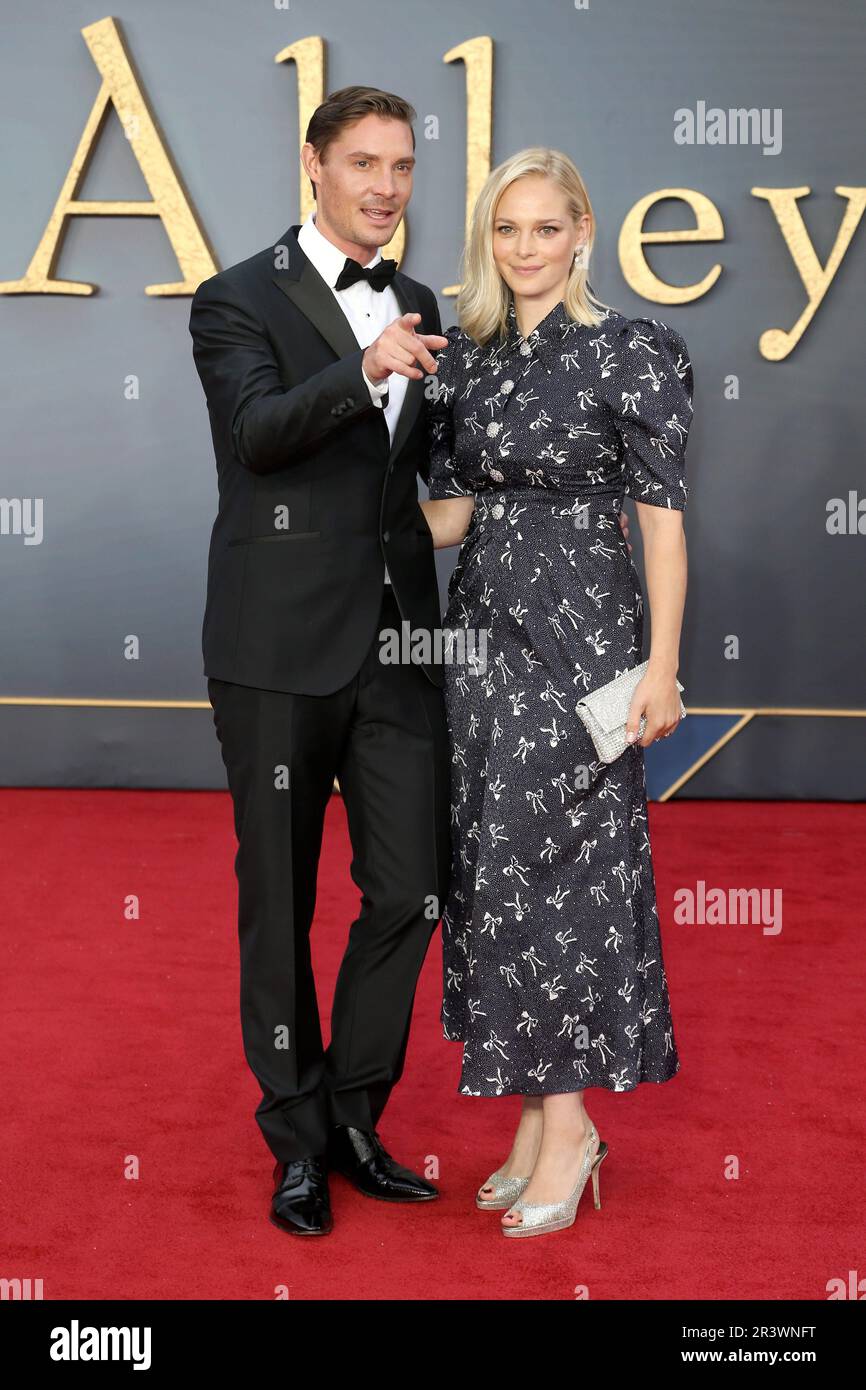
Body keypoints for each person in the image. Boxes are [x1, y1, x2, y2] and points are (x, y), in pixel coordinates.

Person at [188, 86, 453, 1236]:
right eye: (363, 164)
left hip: (398, 644)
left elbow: (414, 487)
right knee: (278, 903)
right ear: (313, 164)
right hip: (274, 650)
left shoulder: (421, 299)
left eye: (401, 166)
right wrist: (364, 369)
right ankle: (296, 1138)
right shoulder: (233, 297)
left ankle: (353, 1112)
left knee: (410, 888)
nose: (386, 187)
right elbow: (255, 435)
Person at [421, 147, 693, 1238]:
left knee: (563, 877)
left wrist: (663, 665)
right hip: (482, 639)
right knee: (490, 868)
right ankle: (538, 1119)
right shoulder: (470, 361)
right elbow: (445, 517)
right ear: (487, 241)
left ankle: (573, 1126)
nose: (525, 248)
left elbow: (663, 522)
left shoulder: (632, 352)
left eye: (545, 227)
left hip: (585, 648)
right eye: (506, 229)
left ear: (583, 229)